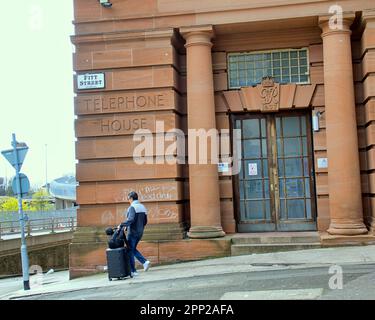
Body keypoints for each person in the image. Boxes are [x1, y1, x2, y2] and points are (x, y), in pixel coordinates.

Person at [120, 191, 150, 276]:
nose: (128, 200)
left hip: (132, 232)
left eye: (128, 199)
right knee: (132, 249)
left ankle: (133, 270)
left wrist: (122, 225)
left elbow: (130, 220)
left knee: (130, 250)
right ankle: (144, 262)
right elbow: (145, 221)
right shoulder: (142, 207)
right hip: (140, 232)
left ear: (131, 198)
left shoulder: (132, 207)